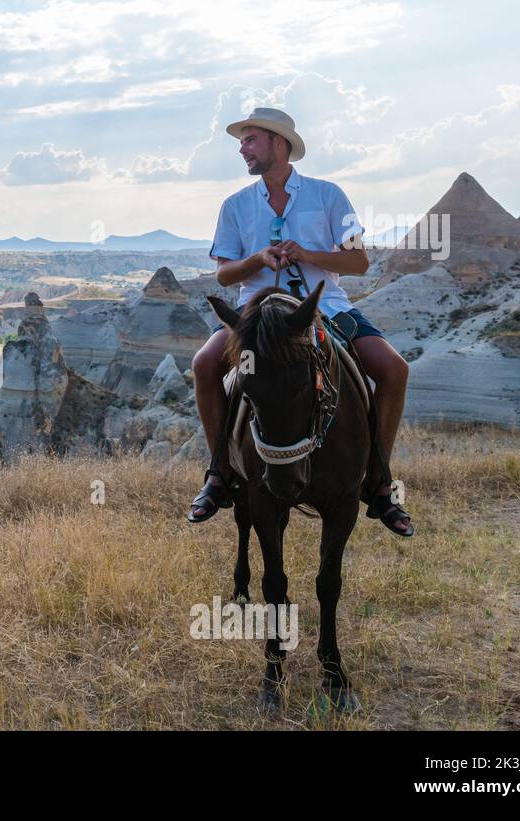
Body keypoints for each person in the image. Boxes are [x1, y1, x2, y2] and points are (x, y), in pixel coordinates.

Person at [186, 107, 414, 536]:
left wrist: (308, 254)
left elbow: (359, 261)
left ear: (278, 142)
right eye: (242, 141)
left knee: (393, 369)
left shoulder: (329, 195)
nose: (242, 149)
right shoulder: (235, 205)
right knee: (203, 365)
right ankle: (219, 472)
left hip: (324, 308)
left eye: (249, 139)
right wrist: (257, 258)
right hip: (256, 313)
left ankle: (380, 481)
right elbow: (223, 273)